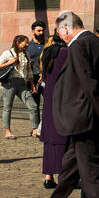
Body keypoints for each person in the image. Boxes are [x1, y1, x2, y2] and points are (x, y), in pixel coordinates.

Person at [25, 11, 99, 198]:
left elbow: (89, 84)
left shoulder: (79, 46)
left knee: (91, 172)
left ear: (67, 28)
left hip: (83, 118)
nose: (60, 36)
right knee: (70, 168)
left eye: (60, 31)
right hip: (91, 117)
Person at [0, 34, 40, 140]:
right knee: (7, 108)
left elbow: (29, 71)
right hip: (9, 84)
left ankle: (35, 129)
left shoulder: (26, 54)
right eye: (26, 42)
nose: (27, 44)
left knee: (32, 105)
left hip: (22, 83)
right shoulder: (8, 53)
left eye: (28, 42)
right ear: (18, 43)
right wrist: (10, 62)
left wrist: (32, 84)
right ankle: (7, 131)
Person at [38, 28, 68, 187]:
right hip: (62, 96)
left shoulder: (47, 52)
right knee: (62, 137)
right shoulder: (65, 53)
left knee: (49, 137)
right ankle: (65, 174)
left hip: (49, 95)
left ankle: (48, 176)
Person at [26, 20, 48, 123]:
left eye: (43, 30)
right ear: (33, 31)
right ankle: (36, 128)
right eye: (39, 31)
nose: (41, 33)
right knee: (35, 104)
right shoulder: (28, 46)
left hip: (46, 78)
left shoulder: (48, 45)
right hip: (33, 80)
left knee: (50, 103)